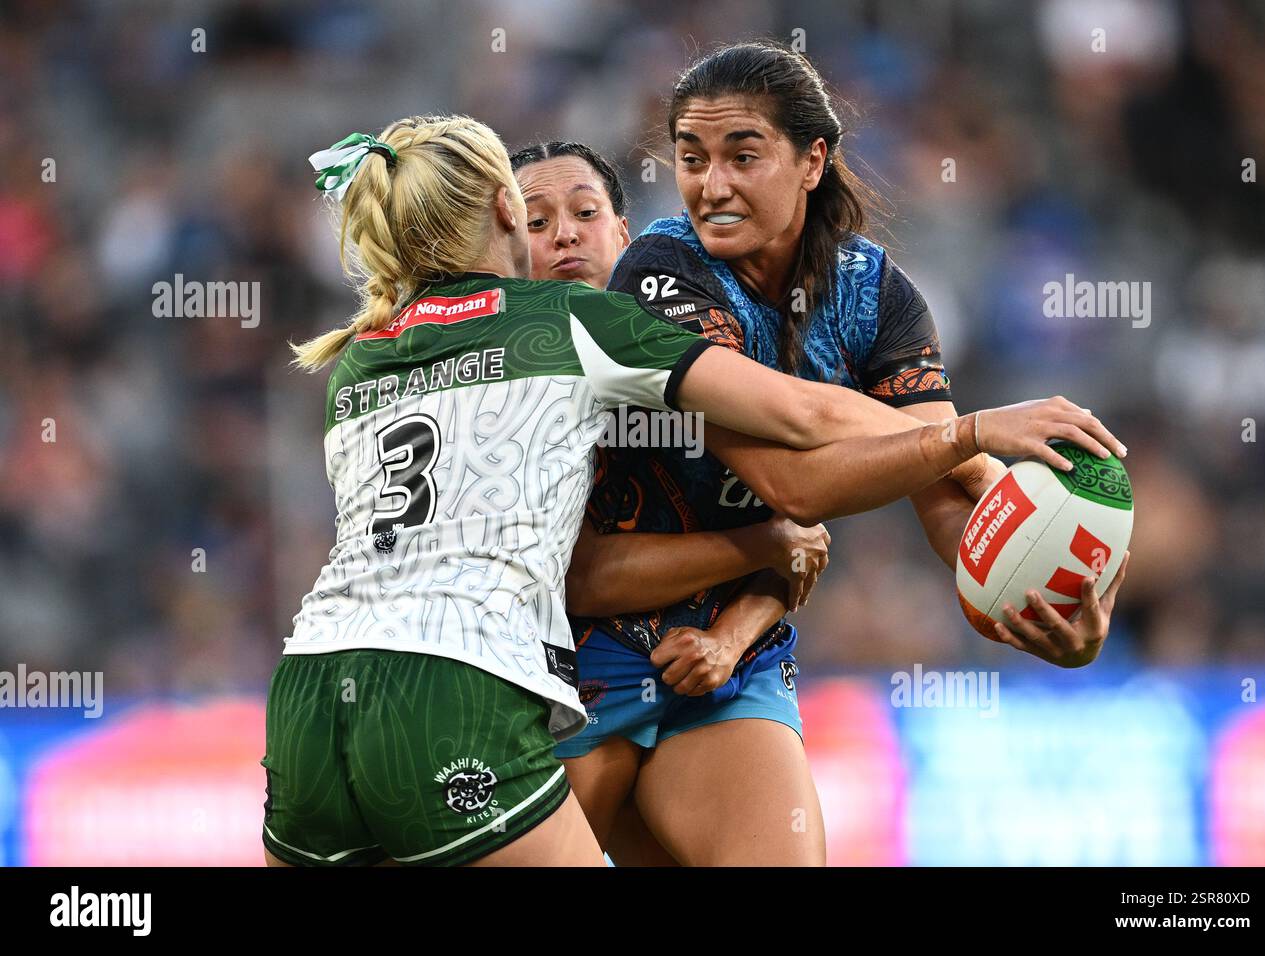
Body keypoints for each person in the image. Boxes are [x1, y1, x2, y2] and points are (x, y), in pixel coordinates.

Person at [262, 113, 1121, 867]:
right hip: (542, 679)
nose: (562, 237)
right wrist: (967, 442)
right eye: (537, 219)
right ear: (504, 224)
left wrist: (747, 613)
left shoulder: (374, 353)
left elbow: (803, 521)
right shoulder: (576, 331)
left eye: (586, 215)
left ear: (626, 233)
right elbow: (780, 474)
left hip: (338, 686)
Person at [513, 42, 1131, 867]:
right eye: (692, 159)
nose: (712, 185)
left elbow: (953, 510)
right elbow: (788, 480)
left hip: (732, 658)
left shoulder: (880, 298)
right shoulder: (659, 274)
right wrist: (974, 437)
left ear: (814, 160)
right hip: (584, 653)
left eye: (742, 155)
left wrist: (1035, 604)